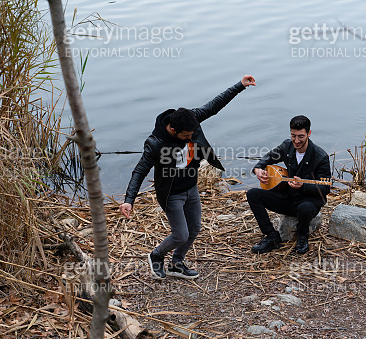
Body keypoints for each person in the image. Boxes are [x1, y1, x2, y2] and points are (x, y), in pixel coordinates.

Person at [120, 75, 256, 279]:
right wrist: (129, 200)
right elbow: (140, 170)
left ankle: (177, 263)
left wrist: (240, 86)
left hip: (191, 187)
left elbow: (213, 106)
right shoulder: (155, 143)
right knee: (180, 234)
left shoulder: (189, 118)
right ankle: (156, 255)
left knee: (194, 229)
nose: (190, 138)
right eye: (186, 136)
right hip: (172, 193)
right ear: (173, 130)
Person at [247, 115, 331, 254]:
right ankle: (272, 237)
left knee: (305, 208)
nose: (296, 141)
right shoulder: (287, 146)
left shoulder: (320, 156)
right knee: (253, 194)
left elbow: (325, 187)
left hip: (308, 202)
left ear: (309, 133)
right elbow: (269, 156)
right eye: (293, 135)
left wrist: (303, 186)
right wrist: (258, 168)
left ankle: (302, 235)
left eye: (301, 136)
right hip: (288, 198)